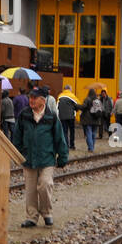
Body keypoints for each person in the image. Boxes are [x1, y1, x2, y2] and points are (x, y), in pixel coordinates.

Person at [12, 85, 67, 227]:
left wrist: (62, 157)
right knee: (30, 189)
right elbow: (17, 135)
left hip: (46, 158)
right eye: (30, 97)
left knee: (45, 184)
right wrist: (16, 153)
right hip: (28, 157)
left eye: (34, 98)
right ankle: (31, 217)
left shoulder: (52, 117)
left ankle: (47, 212)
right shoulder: (24, 115)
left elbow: (59, 138)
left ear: (43, 100)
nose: (31, 100)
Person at [80, 86, 102, 152]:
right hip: (96, 119)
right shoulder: (98, 100)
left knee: (89, 133)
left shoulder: (87, 99)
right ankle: (92, 147)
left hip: (88, 119)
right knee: (94, 134)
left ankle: (91, 148)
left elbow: (83, 107)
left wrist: (77, 106)